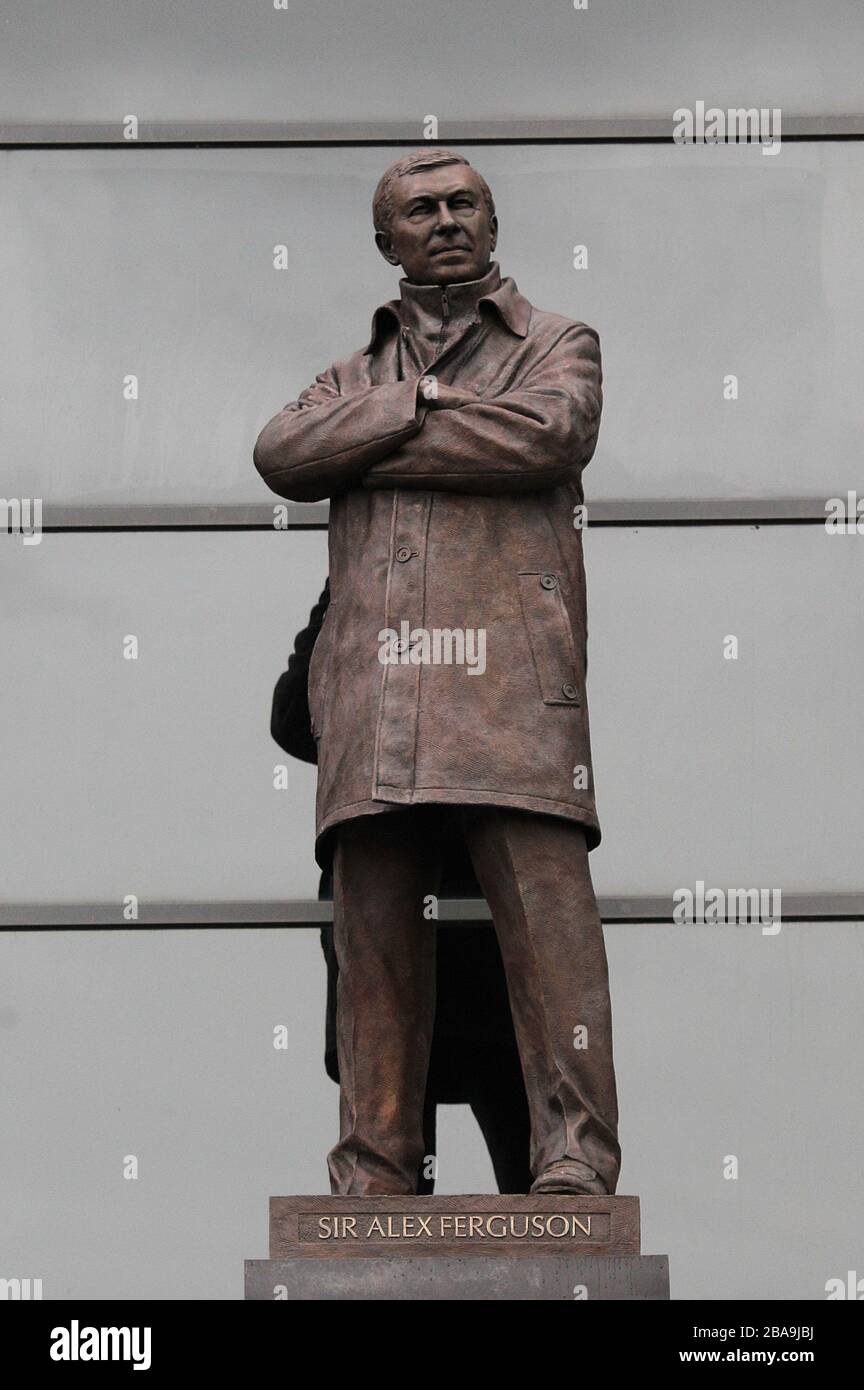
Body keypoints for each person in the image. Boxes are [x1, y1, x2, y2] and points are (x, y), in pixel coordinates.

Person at [254, 148, 620, 1197]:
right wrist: (422, 408)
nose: (447, 219)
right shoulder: (345, 373)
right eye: (421, 208)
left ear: (494, 223)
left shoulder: (558, 342)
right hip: (380, 710)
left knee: (555, 948)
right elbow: (282, 452)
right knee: (372, 950)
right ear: (387, 242)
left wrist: (372, 435)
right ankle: (372, 1165)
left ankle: (575, 1159)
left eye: (465, 202)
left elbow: (551, 434)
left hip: (514, 699)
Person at [271, 580, 533, 1195]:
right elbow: (291, 713)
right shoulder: (366, 581)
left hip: (482, 933)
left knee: (538, 1195)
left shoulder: (487, 585)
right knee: (390, 1197)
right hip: (400, 925)